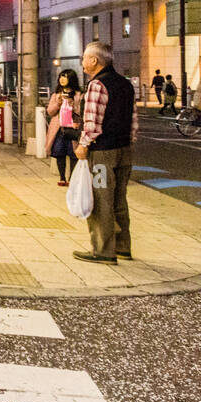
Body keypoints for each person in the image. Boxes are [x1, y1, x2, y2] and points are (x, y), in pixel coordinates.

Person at [73, 41, 138, 265]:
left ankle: (103, 250)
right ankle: (122, 247)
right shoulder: (126, 85)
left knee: (101, 200)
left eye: (84, 58)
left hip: (103, 152)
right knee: (119, 199)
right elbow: (133, 120)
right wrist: (129, 141)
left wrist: (83, 145)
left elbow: (92, 123)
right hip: (125, 149)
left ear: (94, 61)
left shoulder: (97, 85)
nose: (82, 62)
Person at [46, 69, 83, 186]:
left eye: (65, 77)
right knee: (59, 152)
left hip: (73, 128)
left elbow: (81, 112)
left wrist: (72, 104)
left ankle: (72, 178)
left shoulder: (78, 95)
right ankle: (62, 177)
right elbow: (50, 112)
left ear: (71, 79)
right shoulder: (56, 94)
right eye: (61, 77)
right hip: (60, 129)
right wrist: (58, 103)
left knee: (73, 153)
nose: (62, 79)